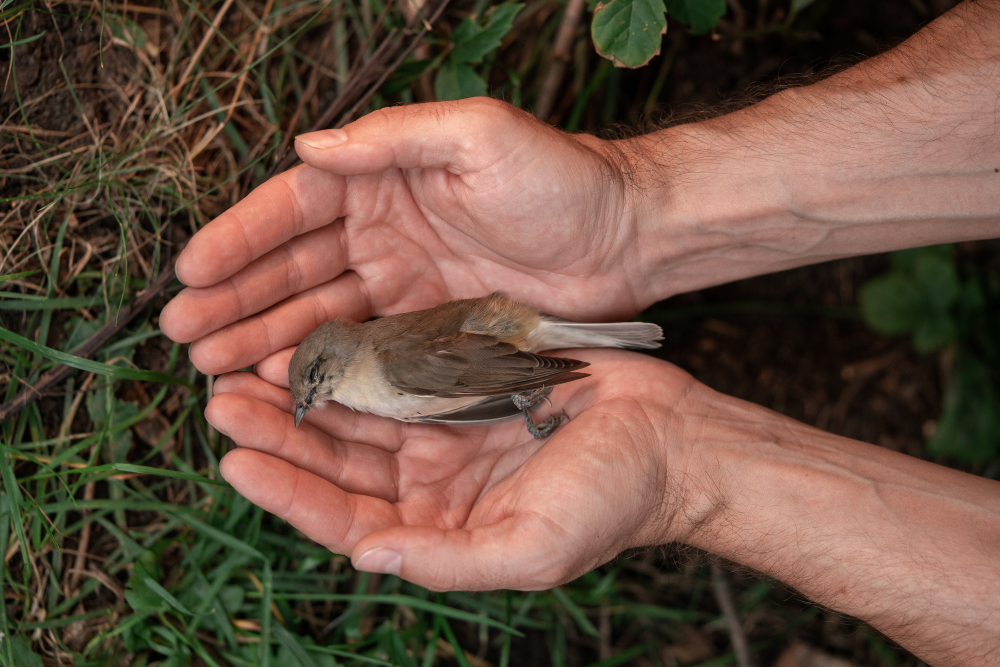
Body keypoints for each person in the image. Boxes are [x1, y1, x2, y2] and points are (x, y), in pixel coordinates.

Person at [159, 1, 1000, 663]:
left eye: (315, 385)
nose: (315, 401)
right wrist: (633, 216)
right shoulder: (369, 355)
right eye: (312, 391)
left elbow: (466, 372)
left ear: (335, 360)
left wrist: (540, 380)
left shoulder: (385, 365)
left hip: (500, 343)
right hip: (500, 337)